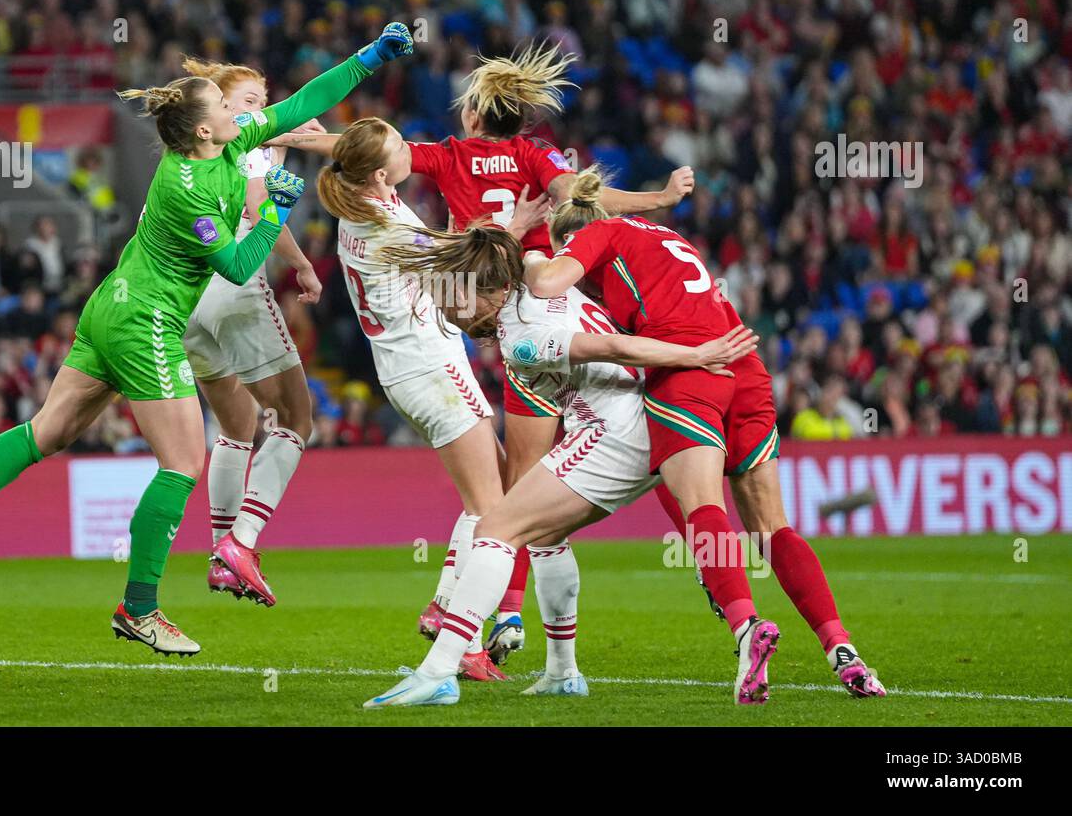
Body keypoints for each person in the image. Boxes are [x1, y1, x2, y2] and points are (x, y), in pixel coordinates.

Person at [0, 24, 413, 656]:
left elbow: (304, 103)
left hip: (108, 309)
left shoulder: (227, 145)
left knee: (47, 433)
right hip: (146, 323)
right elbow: (234, 265)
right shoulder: (184, 188)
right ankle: (138, 608)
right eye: (227, 107)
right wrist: (275, 209)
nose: (241, 111)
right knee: (182, 464)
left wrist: (369, 57)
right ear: (204, 130)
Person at [270, 43, 693, 663]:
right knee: (519, 484)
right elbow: (582, 200)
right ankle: (477, 625)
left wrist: (313, 139)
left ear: (473, 114)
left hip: (482, 316)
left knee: (512, 478)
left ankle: (497, 612)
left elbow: (376, 158)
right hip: (527, 300)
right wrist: (657, 200)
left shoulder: (439, 158)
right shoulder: (529, 151)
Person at [522, 175, 885, 700]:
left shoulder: (598, 233)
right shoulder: (667, 238)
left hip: (691, 370)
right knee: (771, 527)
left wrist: (533, 256)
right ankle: (843, 650)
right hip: (746, 367)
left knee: (702, 508)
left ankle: (746, 627)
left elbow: (549, 283)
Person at [363, 224, 756, 707]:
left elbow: (615, 347)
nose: (451, 313)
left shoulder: (521, 338)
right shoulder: (536, 275)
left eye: (456, 302)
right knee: (545, 535)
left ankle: (437, 672)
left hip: (613, 431)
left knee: (497, 528)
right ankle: (562, 672)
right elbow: (529, 260)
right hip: (636, 419)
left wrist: (695, 354)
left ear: (490, 291)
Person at [314, 117, 549, 681]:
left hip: (416, 366)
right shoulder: (384, 224)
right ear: (378, 173)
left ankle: (446, 608)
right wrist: (513, 227)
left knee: (490, 490)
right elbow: (458, 264)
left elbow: (438, 277)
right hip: (429, 371)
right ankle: (460, 636)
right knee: (492, 510)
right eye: (399, 146)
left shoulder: (366, 207)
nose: (409, 149)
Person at [180, 62, 325, 607]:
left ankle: (220, 554)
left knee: (237, 424)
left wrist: (285, 137)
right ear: (218, 106)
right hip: (234, 286)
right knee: (296, 418)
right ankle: (241, 543)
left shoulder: (201, 148)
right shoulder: (244, 145)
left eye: (265, 96)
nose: (259, 105)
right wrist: (305, 267)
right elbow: (258, 210)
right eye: (246, 98)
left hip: (188, 299)